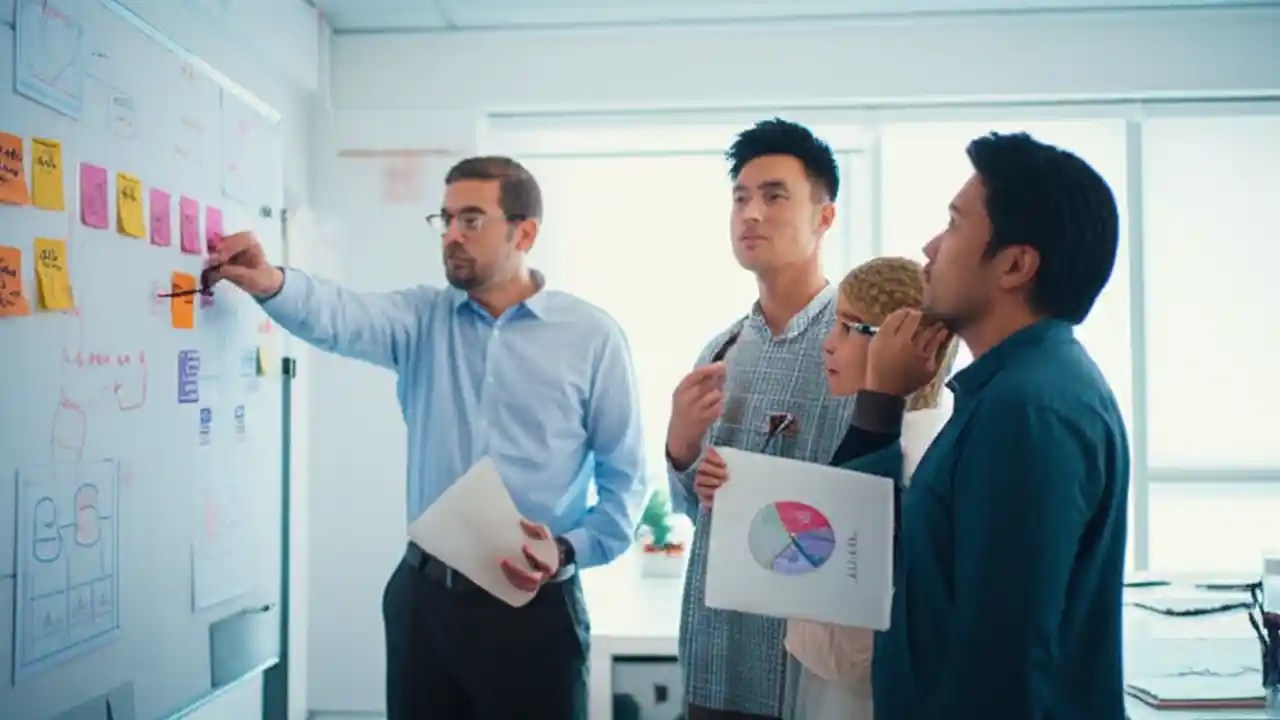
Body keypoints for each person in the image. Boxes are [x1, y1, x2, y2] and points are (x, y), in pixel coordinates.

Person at [205, 156, 648, 720]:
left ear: (525, 232)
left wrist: (566, 550)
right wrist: (272, 282)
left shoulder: (592, 337)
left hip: (534, 610)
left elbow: (626, 482)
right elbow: (340, 314)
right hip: (424, 603)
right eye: (445, 220)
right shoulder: (420, 319)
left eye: (471, 220)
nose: (453, 237)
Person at [853, 132, 1131, 719]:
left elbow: (1001, 662)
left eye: (953, 225)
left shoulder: (1027, 411)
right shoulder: (1018, 388)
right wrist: (882, 400)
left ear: (1015, 264)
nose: (930, 246)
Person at [694, 256, 957, 720]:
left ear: (907, 343)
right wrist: (742, 499)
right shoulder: (886, 447)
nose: (829, 345)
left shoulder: (916, 468)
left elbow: (846, 637)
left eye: (851, 328)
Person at [665, 118, 856, 720]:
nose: (751, 213)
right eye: (741, 198)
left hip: (814, 673)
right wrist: (679, 449)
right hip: (716, 662)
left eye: (774, 196)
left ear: (824, 217)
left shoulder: (859, 349)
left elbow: (871, 513)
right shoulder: (719, 353)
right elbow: (696, 515)